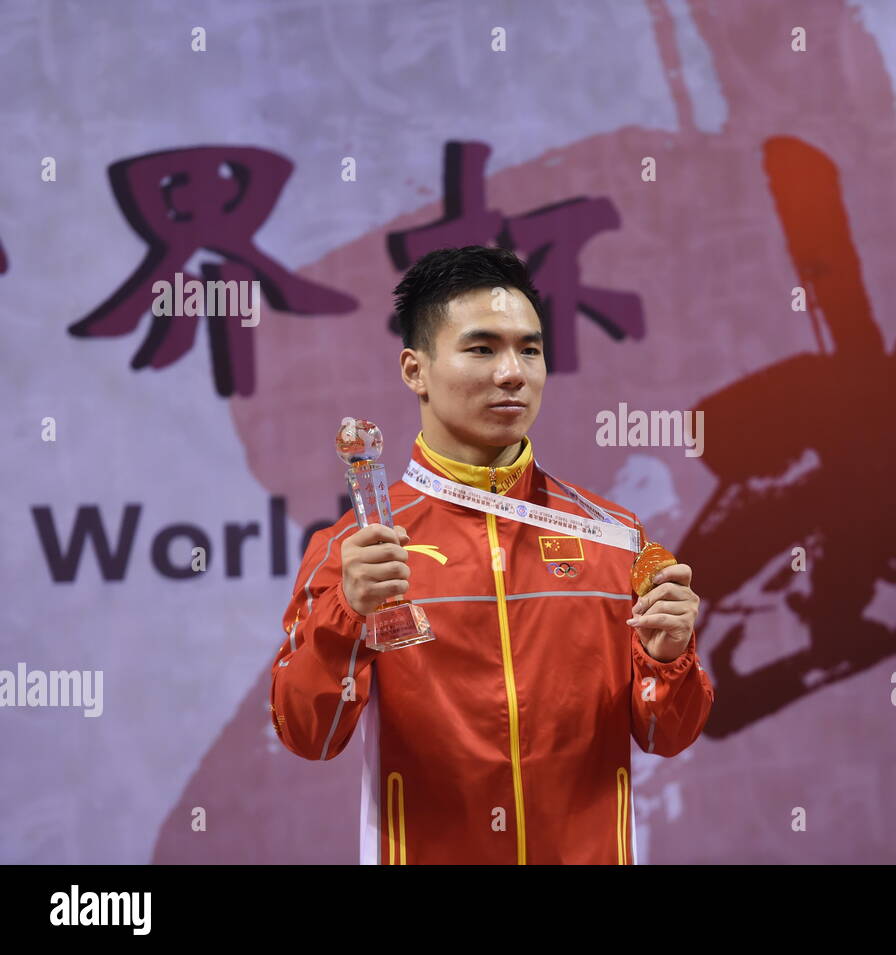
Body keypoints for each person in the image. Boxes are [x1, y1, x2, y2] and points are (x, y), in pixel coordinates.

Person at [269, 245, 713, 864]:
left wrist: (668, 659)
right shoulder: (357, 548)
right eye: (482, 349)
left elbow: (668, 734)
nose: (514, 373)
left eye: (529, 349)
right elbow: (309, 738)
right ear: (414, 370)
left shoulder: (615, 537)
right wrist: (345, 617)